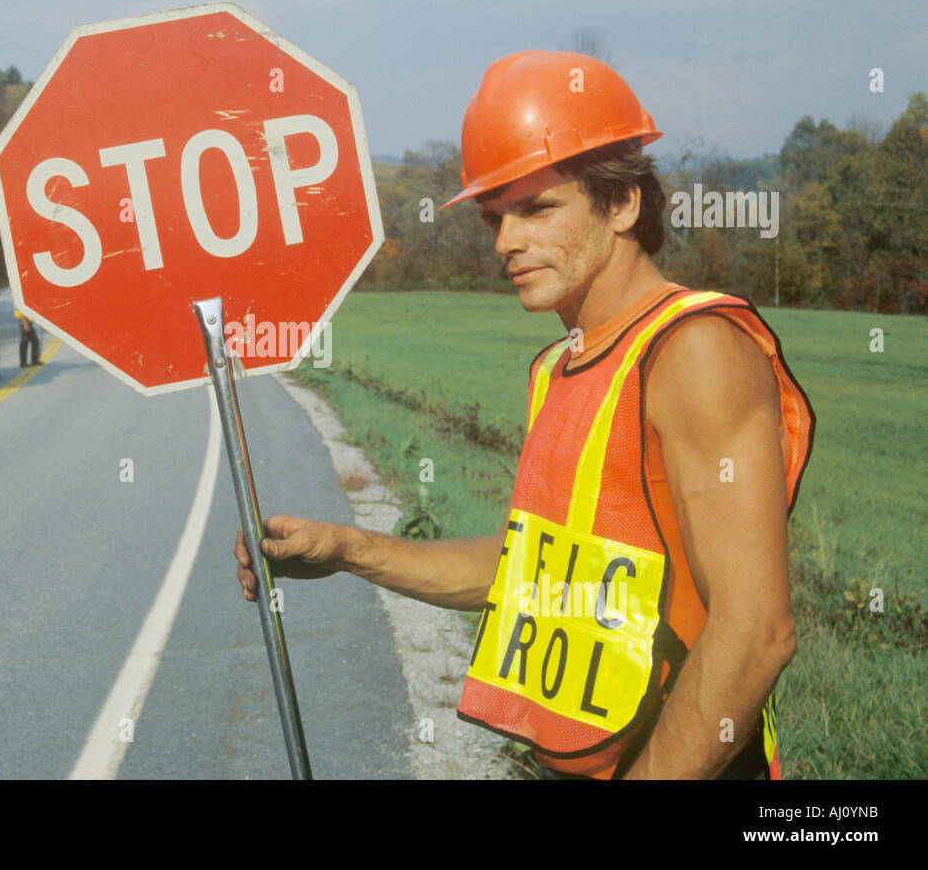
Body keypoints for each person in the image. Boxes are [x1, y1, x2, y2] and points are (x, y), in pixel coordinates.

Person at [234, 51, 815, 780]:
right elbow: (531, 576)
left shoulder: (693, 348)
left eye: (537, 208)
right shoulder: (560, 365)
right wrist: (348, 548)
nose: (506, 242)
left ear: (625, 204)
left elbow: (757, 629)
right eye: (494, 217)